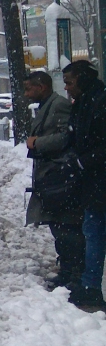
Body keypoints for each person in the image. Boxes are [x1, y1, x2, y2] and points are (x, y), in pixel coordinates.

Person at [22, 71, 83, 293]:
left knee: (65, 226)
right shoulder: (49, 105)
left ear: (42, 87)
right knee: (59, 226)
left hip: (59, 178)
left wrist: (37, 142)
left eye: (29, 89)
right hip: (52, 177)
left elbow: (66, 137)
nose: (27, 94)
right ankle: (68, 270)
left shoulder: (58, 106)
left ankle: (73, 273)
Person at [64, 61, 106, 309]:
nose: (67, 87)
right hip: (93, 180)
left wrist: (82, 162)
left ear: (82, 78)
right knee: (93, 231)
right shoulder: (86, 101)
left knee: (94, 232)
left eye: (69, 82)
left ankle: (91, 286)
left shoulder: (97, 102)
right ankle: (90, 284)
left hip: (97, 179)